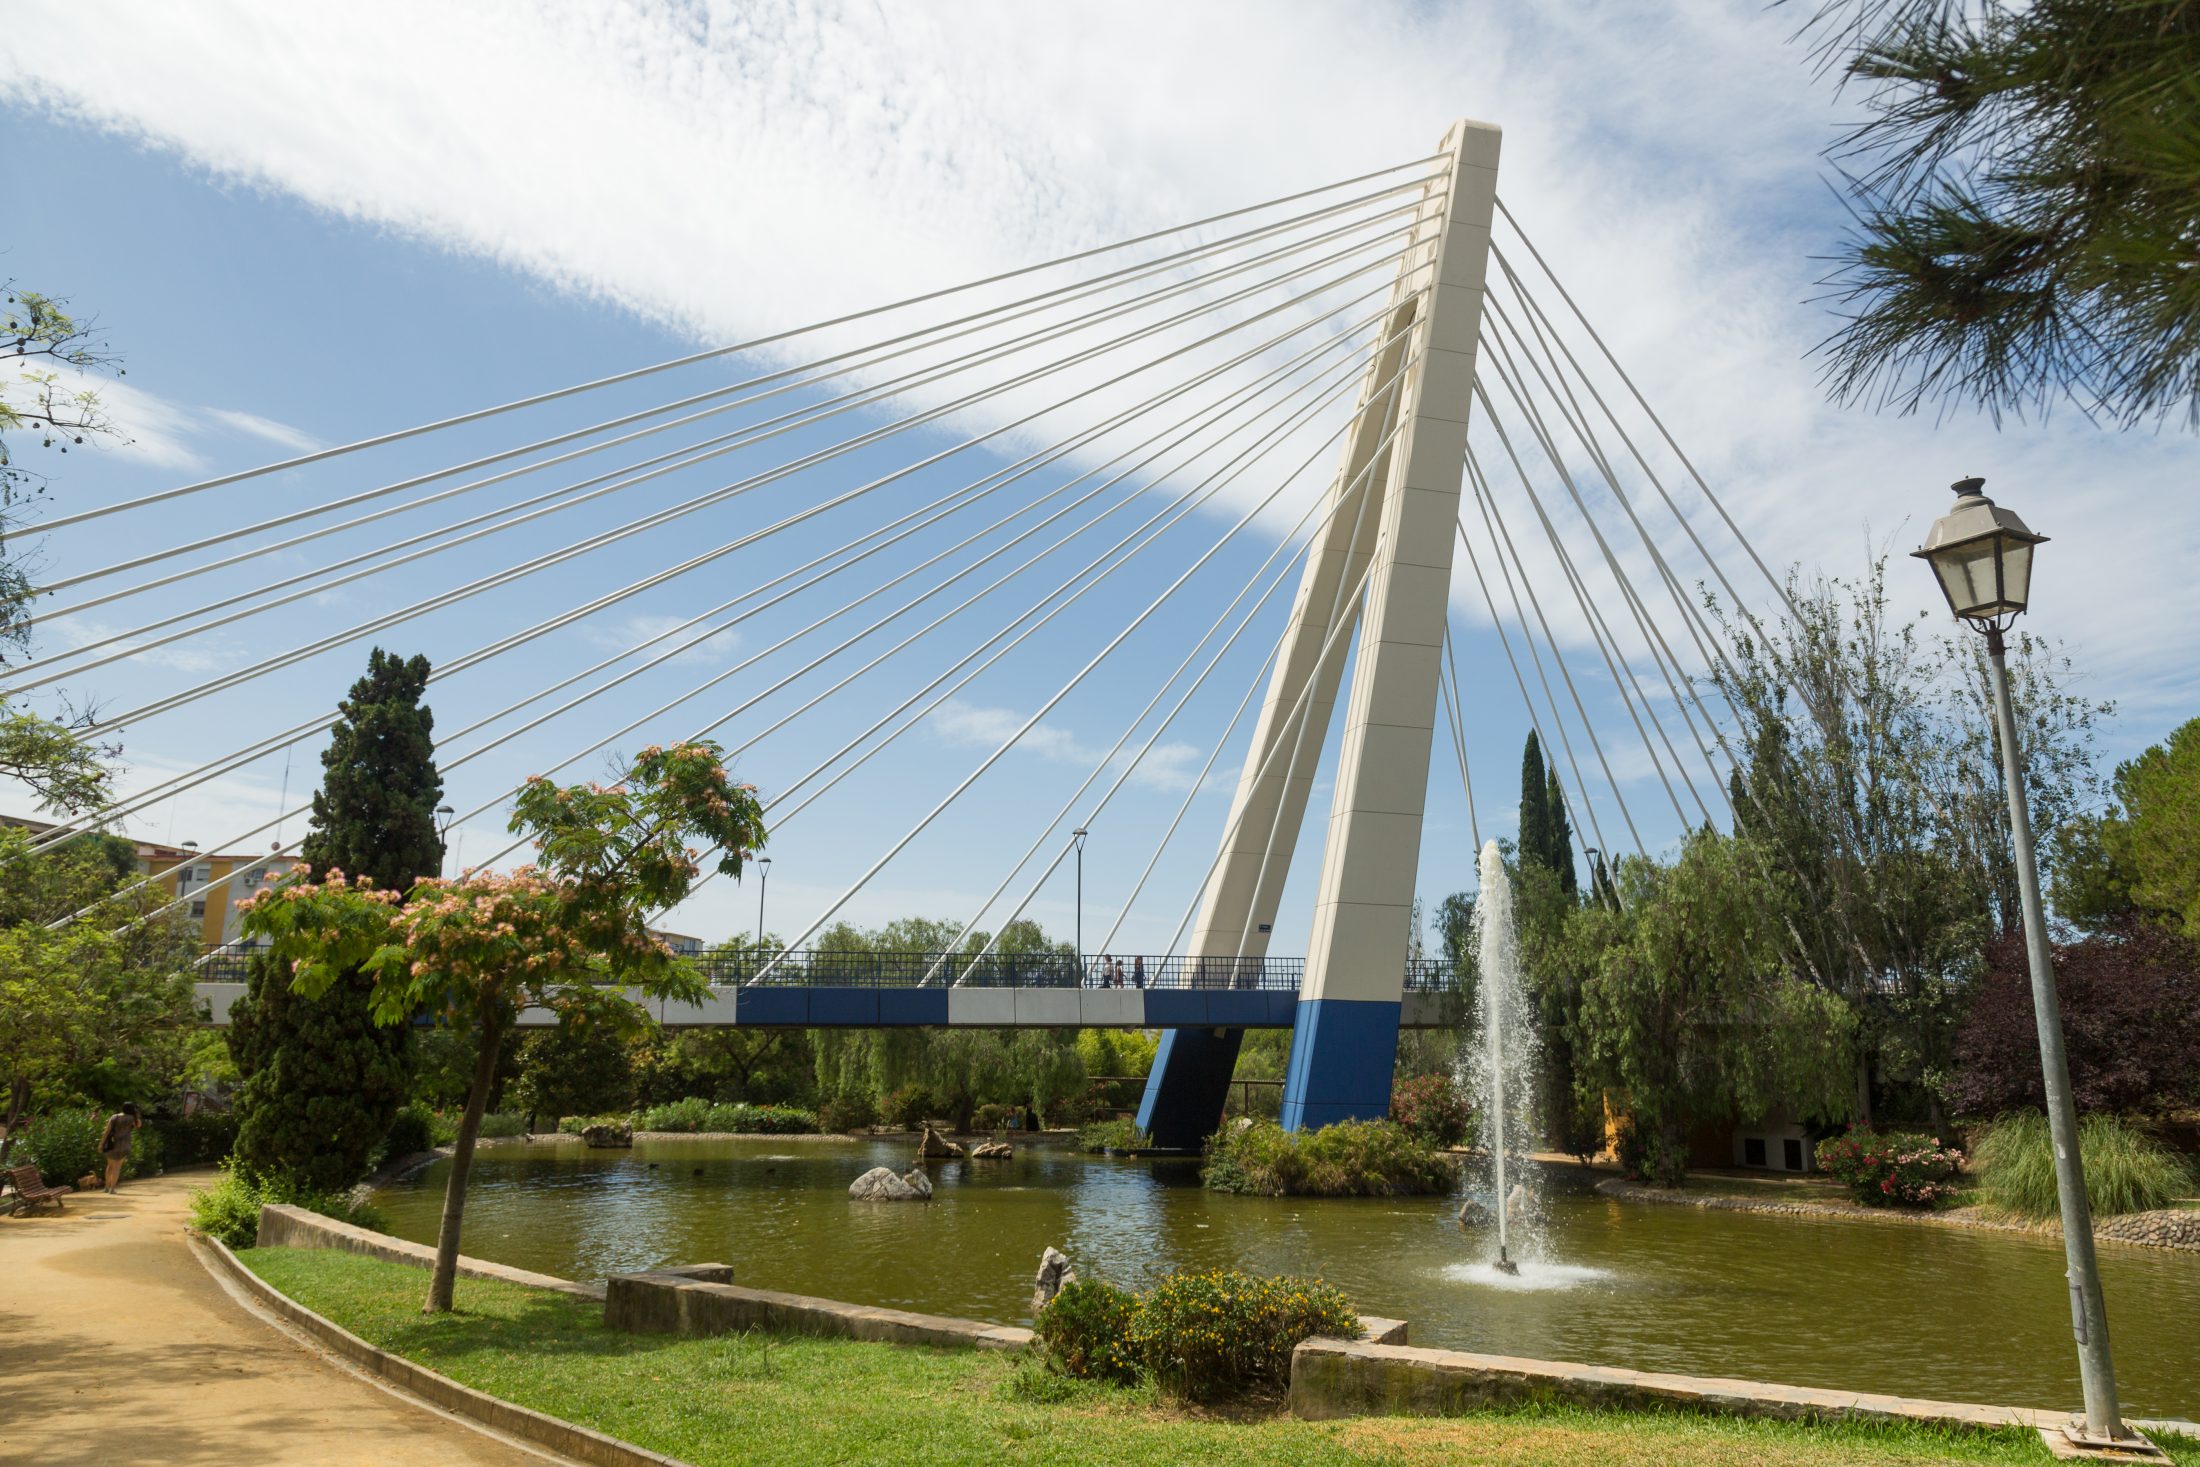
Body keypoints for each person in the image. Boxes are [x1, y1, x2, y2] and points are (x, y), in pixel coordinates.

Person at [98, 1104, 142, 1194]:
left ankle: (106, 1187)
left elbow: (107, 1131)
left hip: (112, 1143)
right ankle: (112, 1189)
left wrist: (101, 1144)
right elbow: (139, 1125)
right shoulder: (132, 1118)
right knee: (117, 1167)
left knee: (109, 1166)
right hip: (124, 1144)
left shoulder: (114, 1117)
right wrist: (136, 1115)